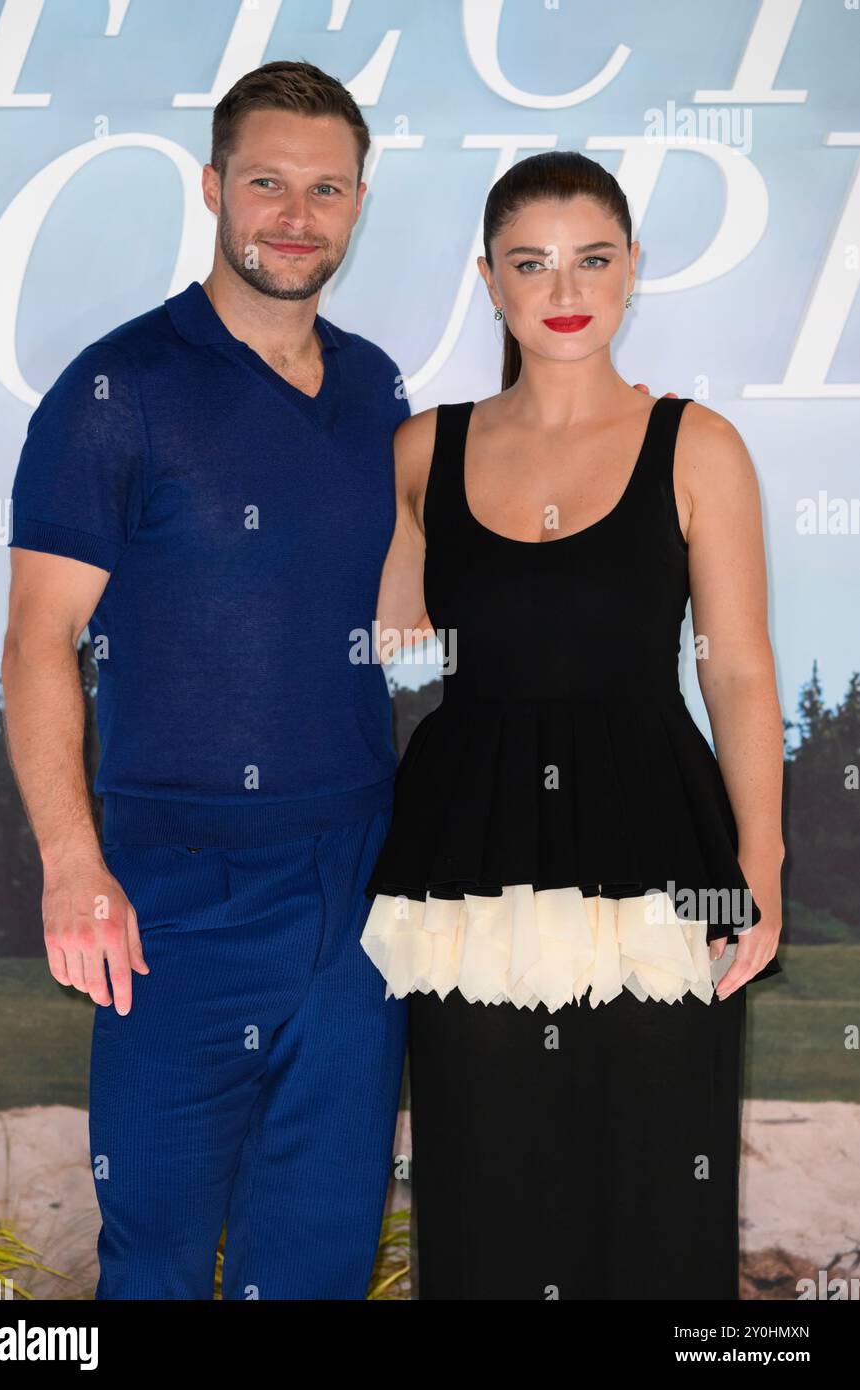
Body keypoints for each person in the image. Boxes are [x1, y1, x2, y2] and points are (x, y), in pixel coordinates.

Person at [1, 61, 416, 1301]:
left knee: (320, 1253)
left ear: (357, 204)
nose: (297, 214)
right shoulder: (115, 391)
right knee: (161, 1255)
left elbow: (408, 606)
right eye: (268, 183)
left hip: (357, 882)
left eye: (327, 188)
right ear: (213, 189)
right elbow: (36, 642)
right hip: (172, 892)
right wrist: (74, 868)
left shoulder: (373, 386)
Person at [360, 150, 784, 1301]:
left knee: (659, 1183)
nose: (564, 285)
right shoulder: (420, 452)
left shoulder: (697, 445)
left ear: (634, 270)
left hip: (666, 850)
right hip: (466, 854)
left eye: (593, 257)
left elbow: (738, 670)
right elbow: (384, 641)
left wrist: (761, 861)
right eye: (530, 261)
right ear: (488, 280)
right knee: (484, 1181)